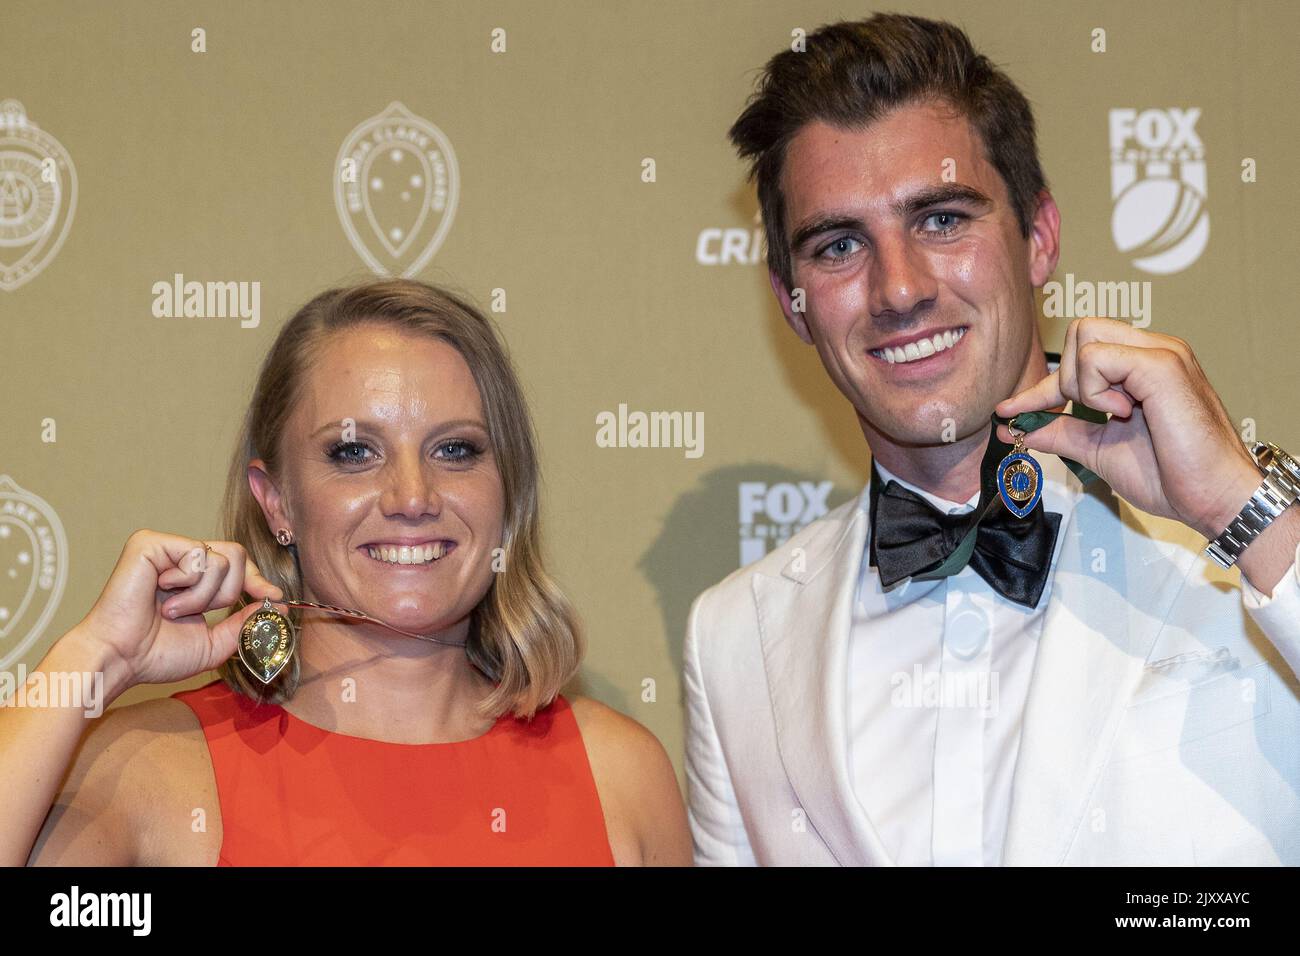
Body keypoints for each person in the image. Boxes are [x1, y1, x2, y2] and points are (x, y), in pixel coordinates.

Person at [685, 13, 1300, 865]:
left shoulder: (1243, 550)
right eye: (838, 245)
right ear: (792, 300)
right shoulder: (733, 641)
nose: (898, 289)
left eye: (941, 220)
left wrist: (1245, 509)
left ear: (1039, 237)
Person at [3, 278, 691, 866]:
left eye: (455, 449)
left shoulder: (619, 776)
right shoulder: (149, 768)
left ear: (507, 492)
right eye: (354, 452)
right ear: (277, 504)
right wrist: (92, 656)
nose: (413, 497)